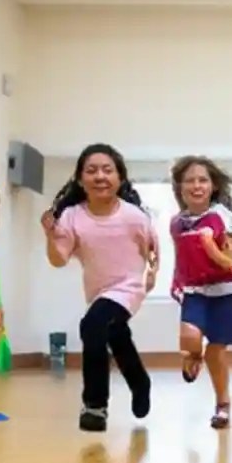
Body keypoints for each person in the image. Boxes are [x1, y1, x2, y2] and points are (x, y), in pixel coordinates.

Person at [41, 143, 157, 432]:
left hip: (130, 287)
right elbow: (59, 260)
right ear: (81, 179)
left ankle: (95, 406)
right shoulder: (71, 216)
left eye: (108, 170)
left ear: (120, 178)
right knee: (115, 335)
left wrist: (152, 272)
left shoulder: (134, 217)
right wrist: (49, 235)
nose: (100, 176)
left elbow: (152, 250)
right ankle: (140, 382)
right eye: (91, 171)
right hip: (99, 291)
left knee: (92, 326)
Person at [167, 155, 232, 429]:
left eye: (203, 179)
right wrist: (175, 281)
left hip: (225, 293)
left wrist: (210, 246)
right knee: (189, 338)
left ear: (213, 186)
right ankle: (193, 356)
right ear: (180, 187)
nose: (196, 185)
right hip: (194, 291)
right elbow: (181, 258)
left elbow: (230, 261)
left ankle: (222, 404)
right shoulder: (176, 223)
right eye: (189, 180)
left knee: (216, 352)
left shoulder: (227, 219)